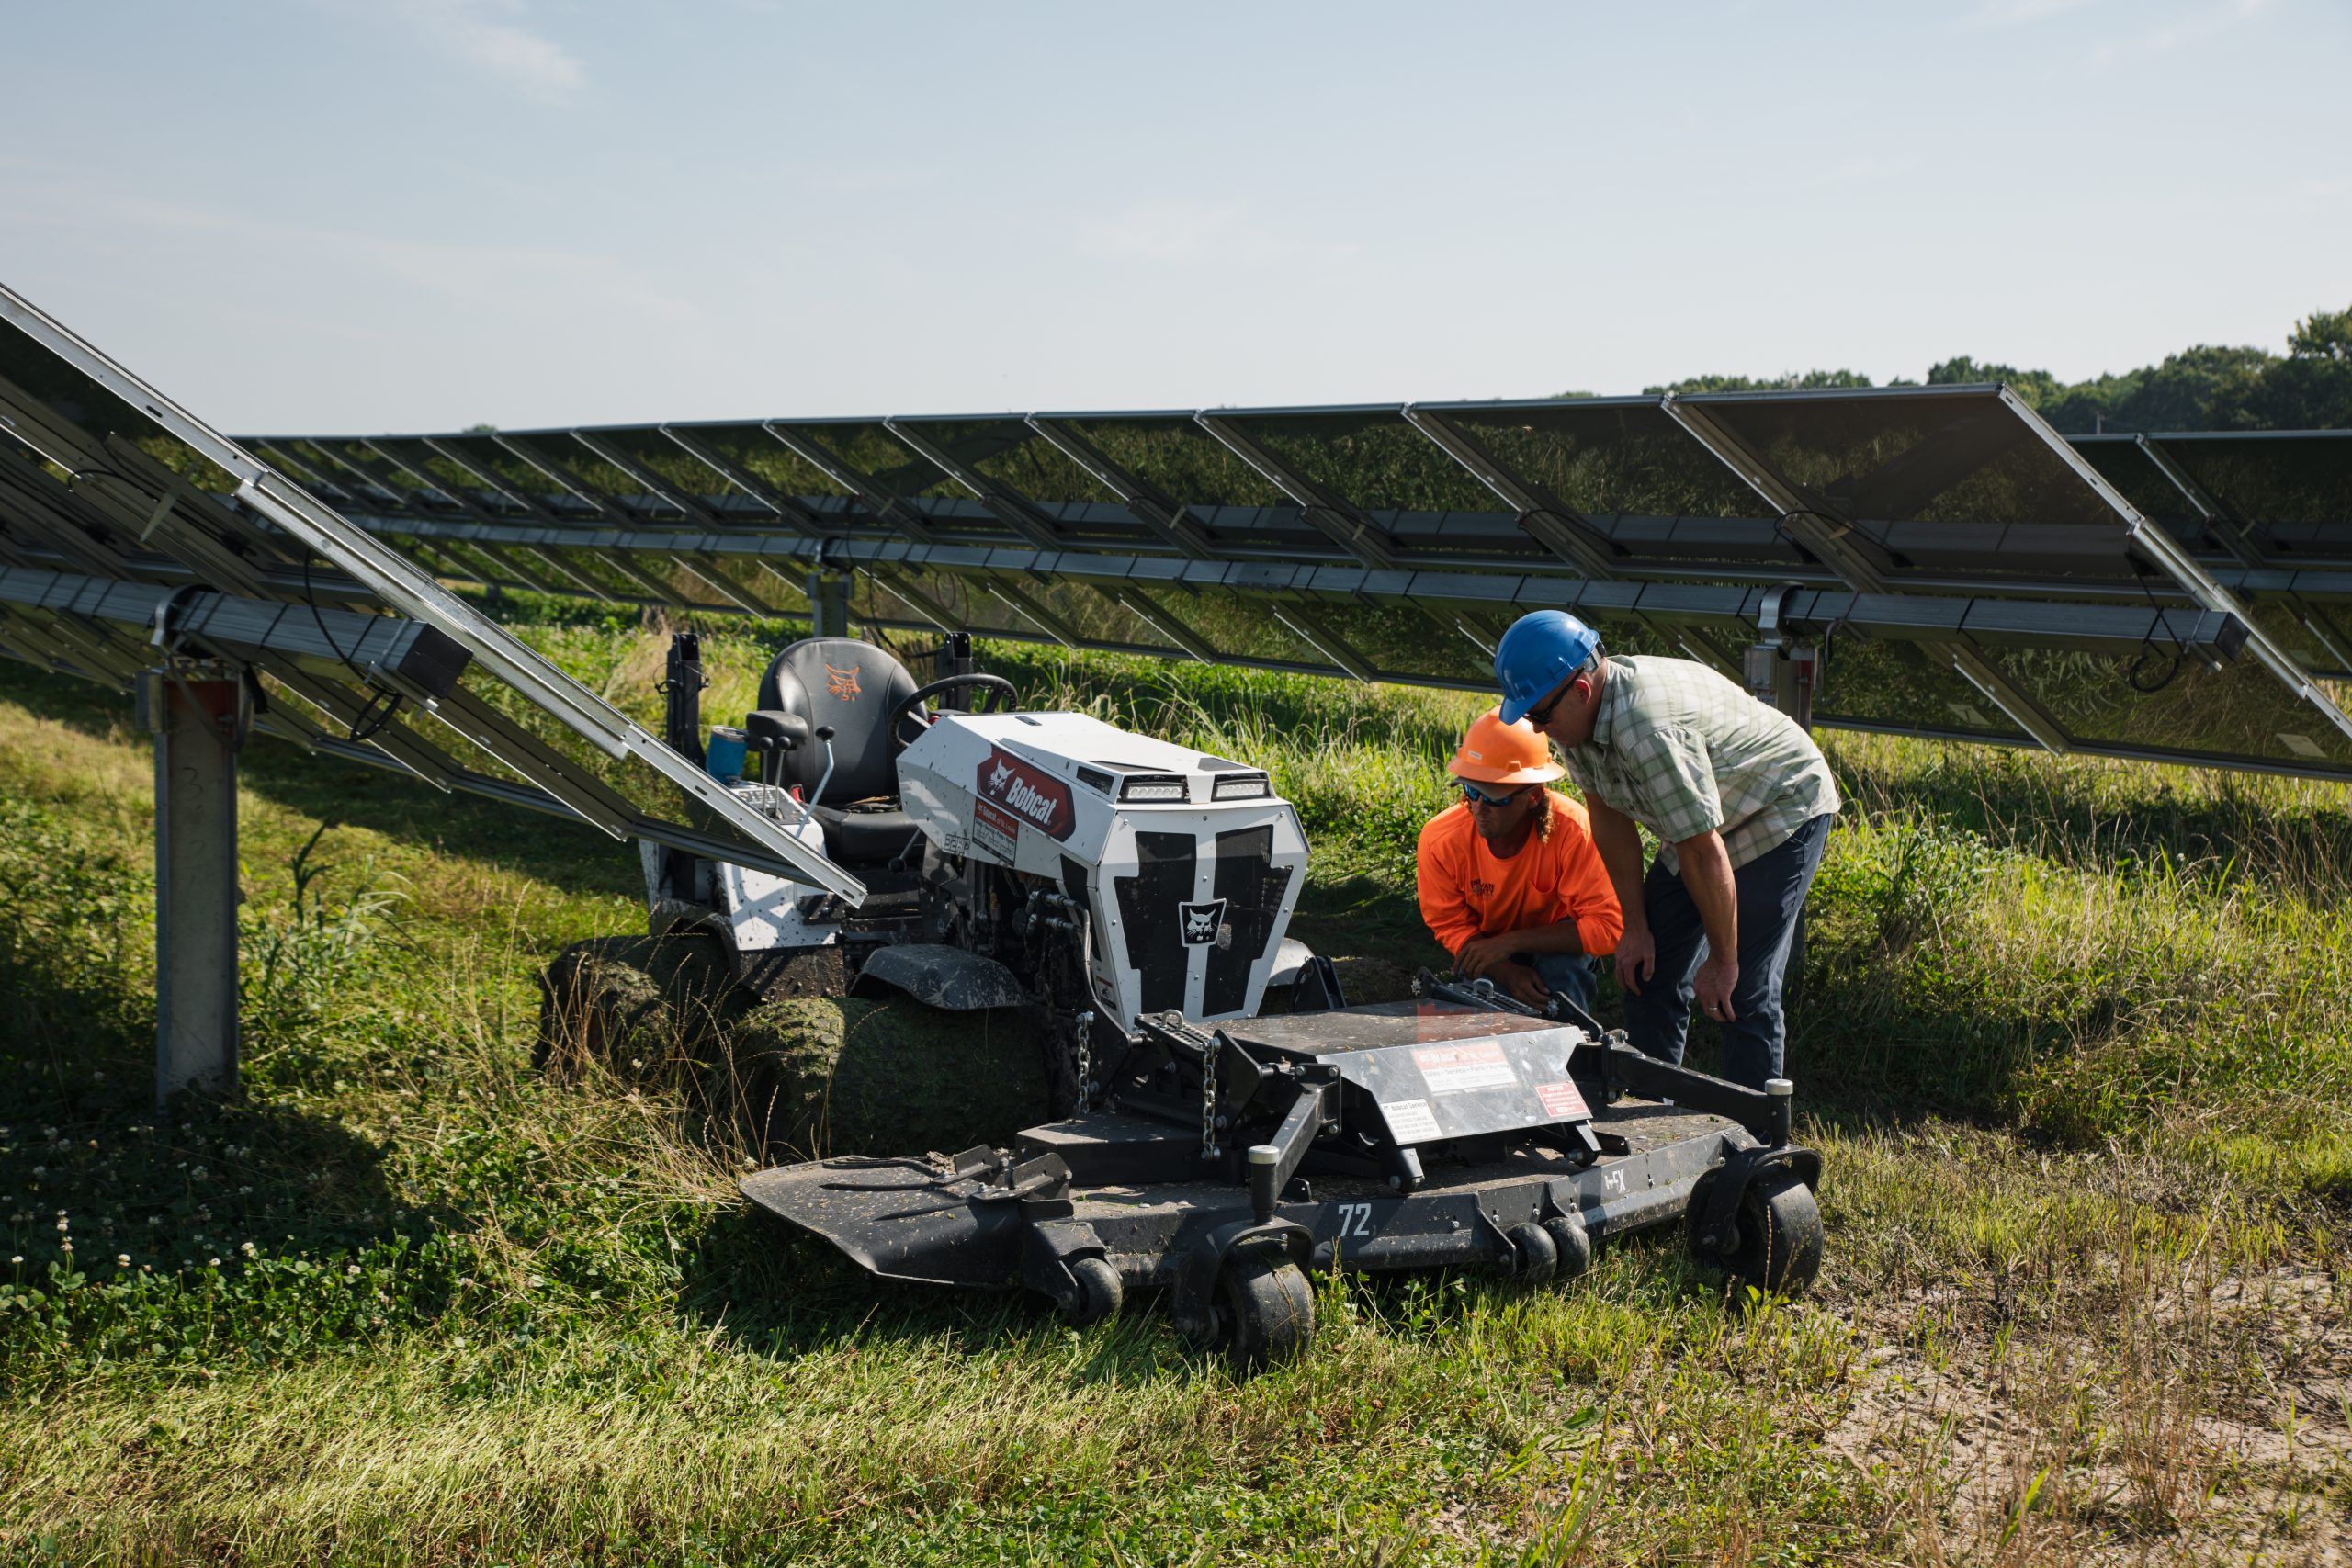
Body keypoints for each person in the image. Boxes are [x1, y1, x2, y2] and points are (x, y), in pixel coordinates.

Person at [1493, 611, 1840, 1089]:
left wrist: (1722, 959)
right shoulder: (1574, 721)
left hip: (1778, 804)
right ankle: (1653, 1115)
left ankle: (1759, 1146)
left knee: (1743, 988)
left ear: (1580, 690)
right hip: (1701, 826)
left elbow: (1702, 852)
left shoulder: (1646, 730)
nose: (1535, 727)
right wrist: (1635, 927)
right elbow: (1609, 820)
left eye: (1538, 714)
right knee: (1646, 969)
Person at [1415, 707, 1623, 1014]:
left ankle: (1573, 1053)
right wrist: (1504, 968)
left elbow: (1606, 928)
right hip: (1487, 944)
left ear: (1534, 797)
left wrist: (1512, 942)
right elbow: (1449, 922)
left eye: (1497, 797)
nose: (1479, 807)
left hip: (1557, 940)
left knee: (1559, 983)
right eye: (1472, 790)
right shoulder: (1440, 840)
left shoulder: (1574, 831)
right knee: (1486, 1003)